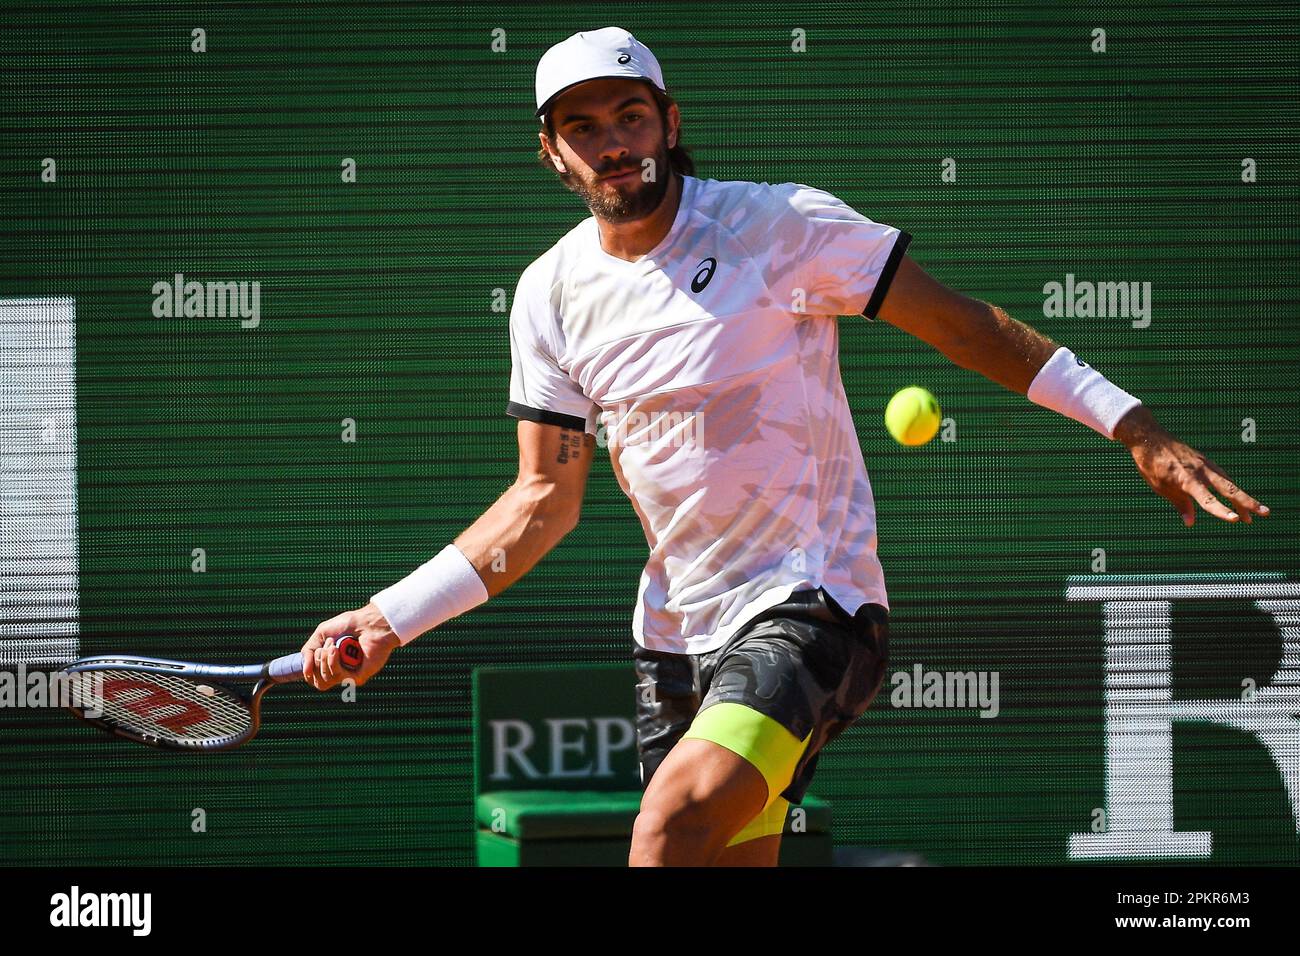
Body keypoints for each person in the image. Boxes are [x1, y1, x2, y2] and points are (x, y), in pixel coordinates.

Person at [300, 27, 1270, 866]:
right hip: (673, 642)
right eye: (583, 127)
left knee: (667, 825)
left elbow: (961, 324)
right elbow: (539, 502)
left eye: (629, 116)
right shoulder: (550, 293)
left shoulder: (779, 226)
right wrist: (391, 616)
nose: (613, 144)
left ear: (668, 121)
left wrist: (1130, 420)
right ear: (552, 151)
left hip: (810, 606)